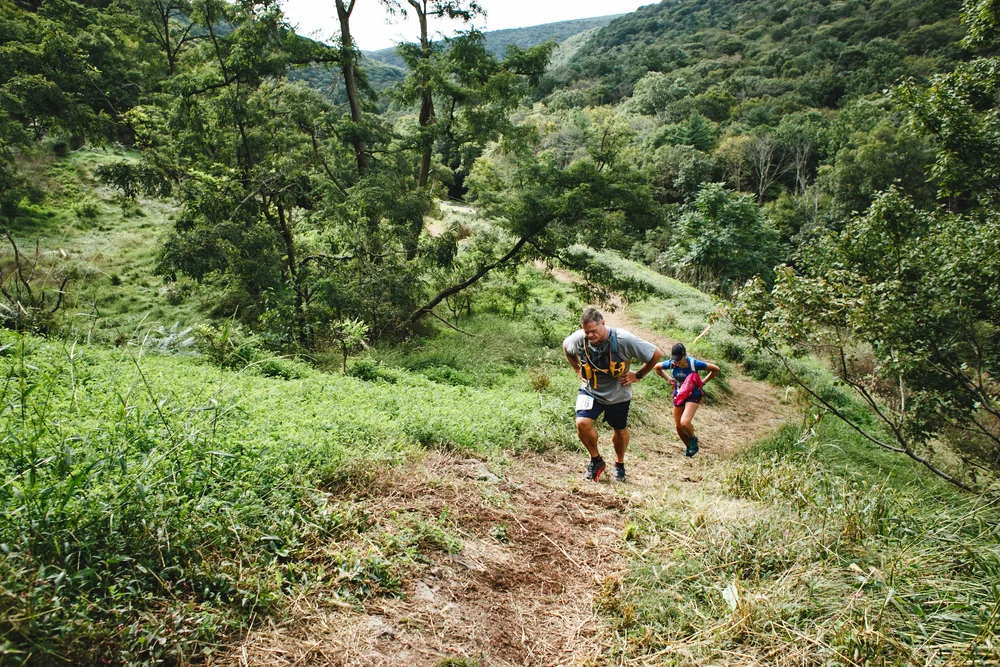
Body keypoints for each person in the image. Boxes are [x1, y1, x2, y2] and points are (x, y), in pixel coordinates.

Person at [563, 308, 663, 482]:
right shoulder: (580, 338)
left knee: (619, 429)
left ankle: (620, 464)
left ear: (603, 323)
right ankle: (596, 460)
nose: (590, 336)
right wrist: (577, 369)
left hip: (618, 394)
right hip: (590, 390)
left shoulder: (624, 339)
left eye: (594, 331)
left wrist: (638, 375)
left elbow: (656, 354)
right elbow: (566, 346)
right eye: (587, 332)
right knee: (582, 424)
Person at [655, 342, 719, 457]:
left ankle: (693, 439)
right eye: (675, 359)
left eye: (679, 359)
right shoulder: (671, 364)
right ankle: (690, 449)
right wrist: (669, 379)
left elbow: (715, 369)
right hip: (679, 394)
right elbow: (657, 368)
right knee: (678, 426)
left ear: (684, 355)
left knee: (684, 422)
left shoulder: (694, 364)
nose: (677, 362)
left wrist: (703, 382)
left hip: (693, 394)